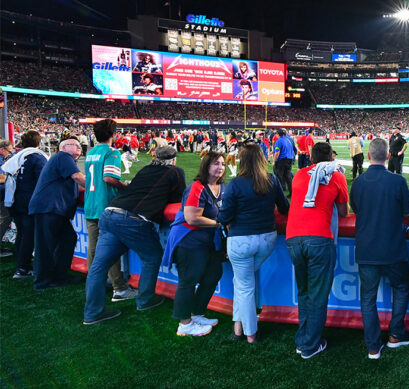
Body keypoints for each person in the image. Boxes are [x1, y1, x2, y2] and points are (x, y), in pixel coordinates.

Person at [84, 145, 186, 325]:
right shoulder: (175, 172)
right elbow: (178, 199)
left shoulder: (146, 169)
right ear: (174, 159)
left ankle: (92, 313)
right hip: (133, 219)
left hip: (109, 214)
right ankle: (145, 300)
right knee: (152, 257)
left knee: (99, 267)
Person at [350, 138, 409, 359]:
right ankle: (395, 333)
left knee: (367, 298)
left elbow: (355, 209)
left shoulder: (358, 182)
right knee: (402, 288)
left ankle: (373, 346)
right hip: (393, 247)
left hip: (367, 248)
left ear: (368, 156)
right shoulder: (397, 181)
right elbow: (408, 211)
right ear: (388, 157)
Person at [218, 146, 289, 343]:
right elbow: (284, 208)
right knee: (242, 283)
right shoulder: (271, 179)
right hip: (267, 239)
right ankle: (238, 327)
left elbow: (224, 216)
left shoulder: (235, 184)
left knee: (244, 286)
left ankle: (250, 333)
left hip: (241, 240)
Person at [286, 142, 349, 359]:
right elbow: (343, 211)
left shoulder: (298, 175)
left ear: (311, 158)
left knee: (304, 292)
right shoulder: (337, 176)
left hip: (293, 238)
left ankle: (304, 338)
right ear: (331, 157)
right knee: (318, 295)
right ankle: (309, 345)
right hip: (320, 238)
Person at [162, 152, 226, 337]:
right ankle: (184, 323)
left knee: (214, 274)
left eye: (222, 163)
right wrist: (218, 224)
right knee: (188, 280)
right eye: (215, 163)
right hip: (189, 240)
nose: (220, 167)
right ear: (206, 166)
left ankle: (196, 313)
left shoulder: (221, 186)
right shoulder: (196, 187)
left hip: (207, 242)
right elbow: (192, 218)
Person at [84, 119, 136, 302]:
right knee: (109, 247)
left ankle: (95, 284)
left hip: (90, 203)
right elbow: (109, 178)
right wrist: (125, 187)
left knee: (93, 247)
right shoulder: (111, 151)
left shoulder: (91, 153)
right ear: (113, 134)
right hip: (105, 205)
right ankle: (119, 287)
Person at [28, 139, 86, 290]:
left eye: (80, 145)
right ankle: (42, 281)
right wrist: (97, 186)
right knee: (45, 245)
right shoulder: (63, 156)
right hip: (49, 208)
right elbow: (78, 178)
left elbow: (76, 186)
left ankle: (59, 275)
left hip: (53, 208)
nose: (79, 146)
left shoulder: (63, 160)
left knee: (68, 239)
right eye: (75, 144)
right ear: (64, 147)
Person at [3, 131, 48, 279]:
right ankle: (23, 268)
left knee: (22, 234)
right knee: (28, 235)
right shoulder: (37, 157)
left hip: (15, 200)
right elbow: (44, 179)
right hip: (29, 200)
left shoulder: (16, 156)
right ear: (38, 143)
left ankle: (21, 265)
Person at [0, 140, 16, 258]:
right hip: (1, 195)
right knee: (4, 219)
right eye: (10, 151)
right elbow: (1, 178)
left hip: (4, 194)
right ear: (2, 150)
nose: (12, 153)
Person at [272, 129, 295, 196]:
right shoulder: (288, 140)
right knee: (288, 177)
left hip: (282, 161)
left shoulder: (279, 141)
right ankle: (291, 192)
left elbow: (277, 153)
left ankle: (279, 193)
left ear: (278, 134)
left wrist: (274, 161)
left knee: (279, 177)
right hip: (289, 159)